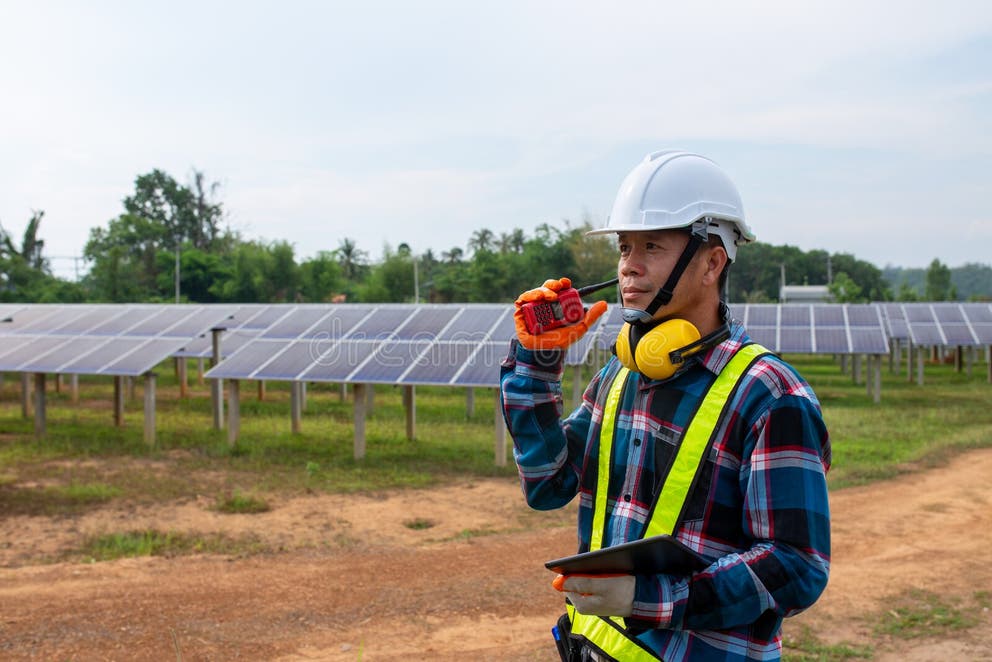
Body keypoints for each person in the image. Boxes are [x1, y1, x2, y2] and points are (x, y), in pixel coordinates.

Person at [500, 150, 831, 661]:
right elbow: (548, 485)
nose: (629, 264)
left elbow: (797, 566)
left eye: (651, 246)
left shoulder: (770, 395)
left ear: (713, 261)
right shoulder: (621, 374)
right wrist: (536, 364)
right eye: (624, 246)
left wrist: (646, 598)